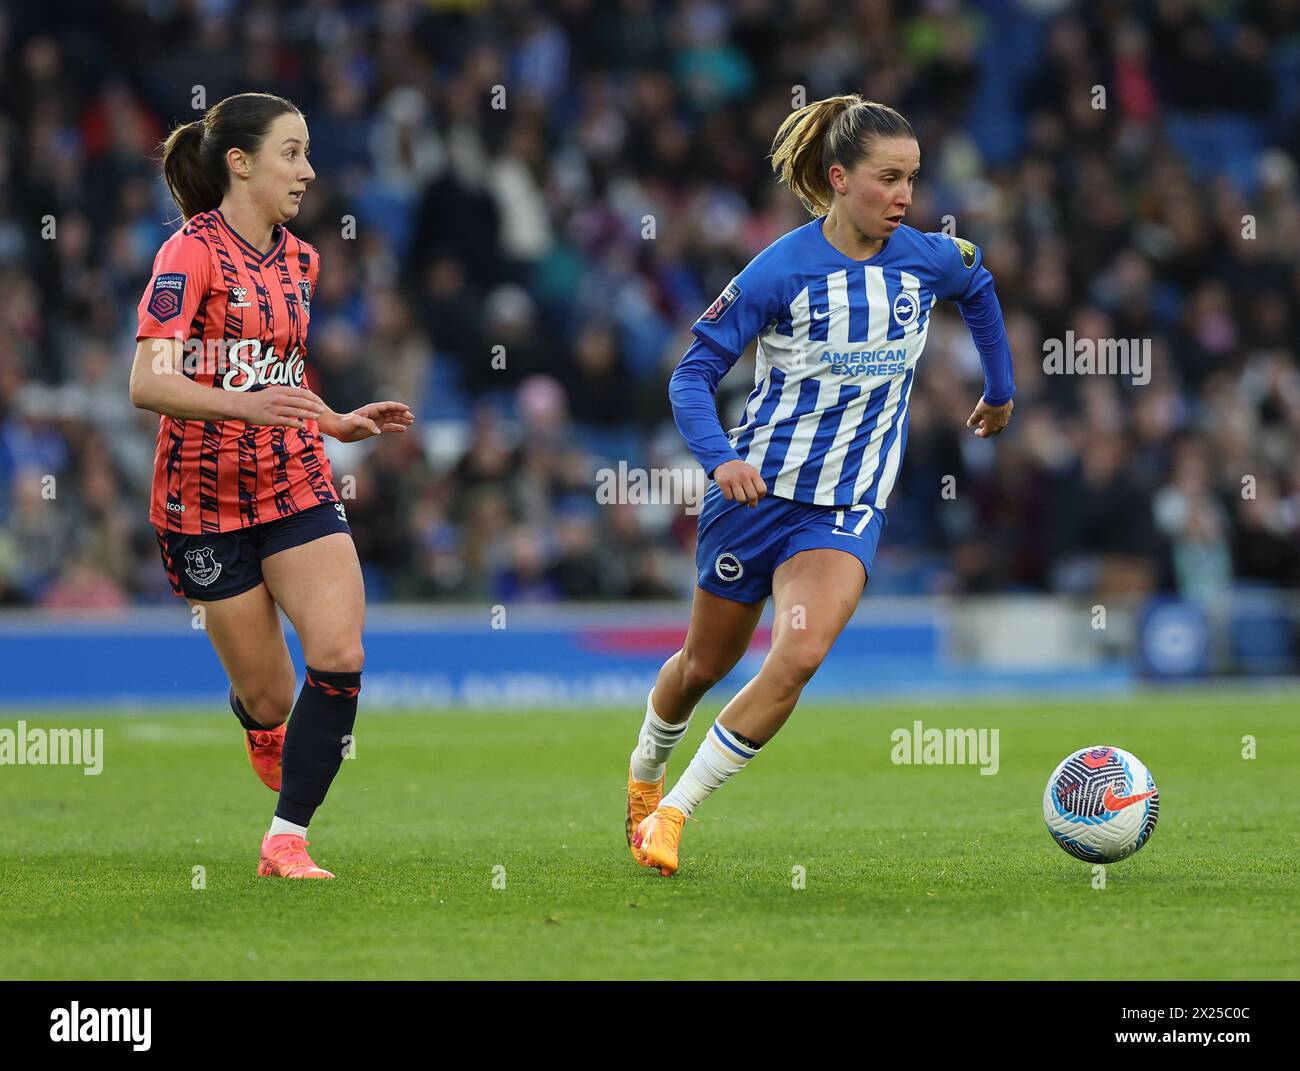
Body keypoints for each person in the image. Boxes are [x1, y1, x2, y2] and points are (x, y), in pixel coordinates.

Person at [626, 95, 1015, 876]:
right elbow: (692, 375)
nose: (905, 196)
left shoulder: (925, 256)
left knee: (797, 656)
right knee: (702, 666)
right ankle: (644, 772)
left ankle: (674, 814)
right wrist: (719, 459)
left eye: (912, 178)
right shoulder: (779, 269)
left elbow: (979, 284)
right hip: (755, 499)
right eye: (888, 178)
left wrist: (1000, 388)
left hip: (844, 508)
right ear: (839, 179)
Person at [129, 93, 414, 879]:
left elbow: (277, 378)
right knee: (270, 698)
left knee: (340, 650)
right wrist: (242, 404)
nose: (308, 170)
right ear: (240, 162)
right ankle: (258, 724)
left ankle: (286, 837)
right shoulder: (187, 254)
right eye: (292, 152)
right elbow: (147, 383)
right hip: (203, 503)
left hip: (294, 481)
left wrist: (332, 420)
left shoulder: (304, 261)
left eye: (309, 151)